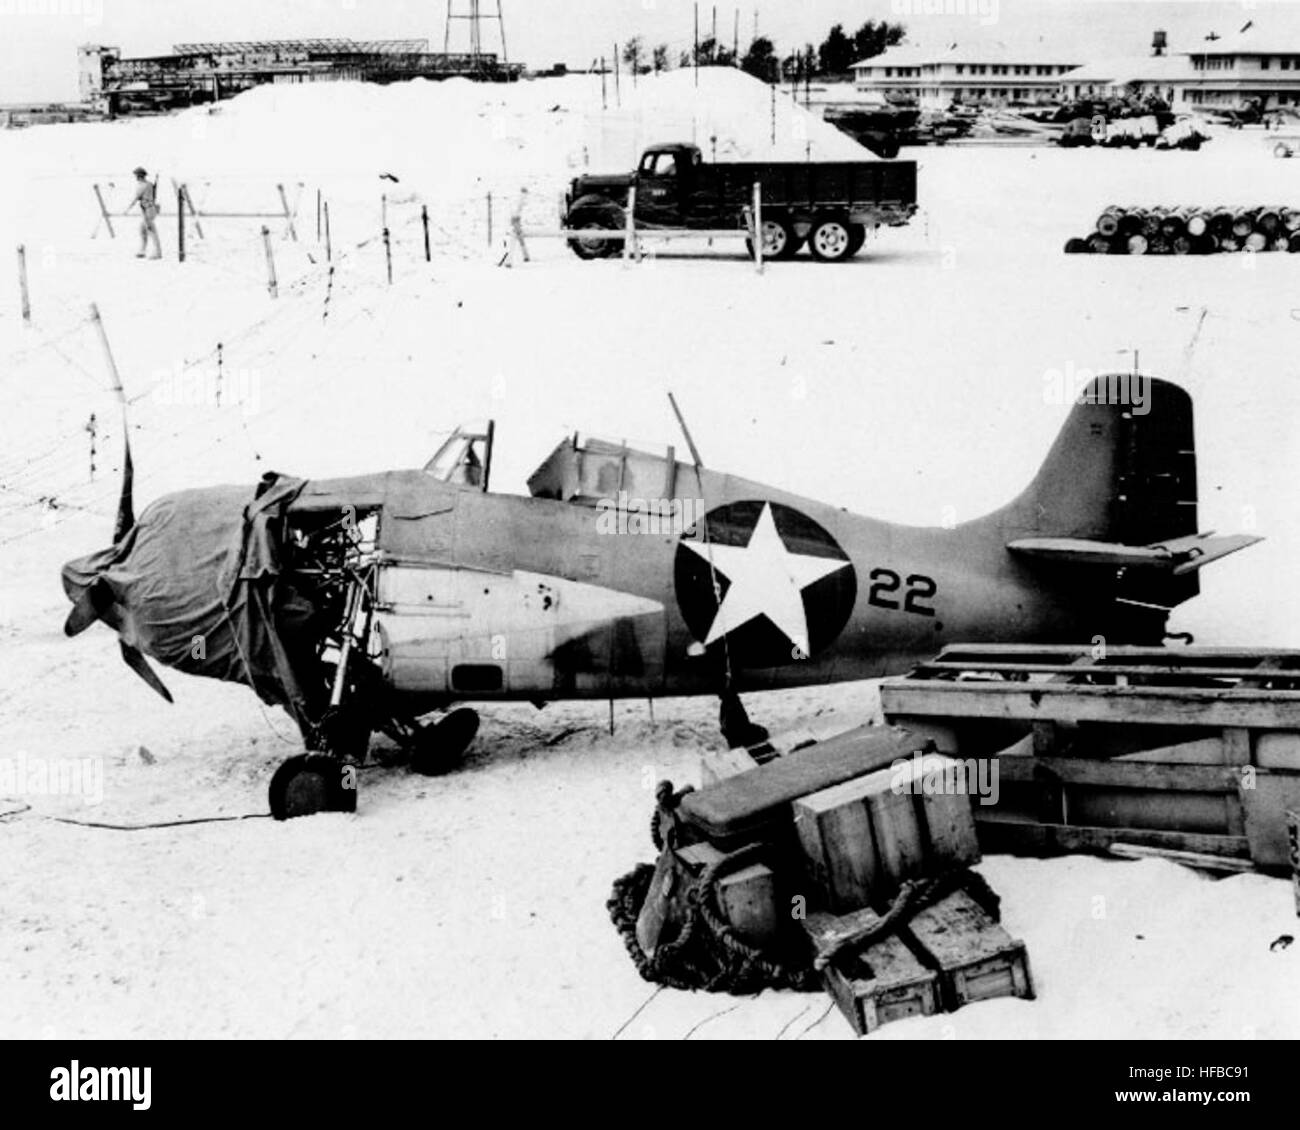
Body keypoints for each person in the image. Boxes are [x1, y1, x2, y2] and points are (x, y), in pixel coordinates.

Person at [132, 167, 162, 260]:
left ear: (139, 176)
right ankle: (142, 251)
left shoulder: (144, 185)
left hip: (148, 209)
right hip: (146, 209)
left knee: (151, 231)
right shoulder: (148, 184)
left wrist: (127, 208)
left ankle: (158, 253)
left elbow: (136, 198)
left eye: (137, 175)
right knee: (142, 230)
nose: (136, 177)